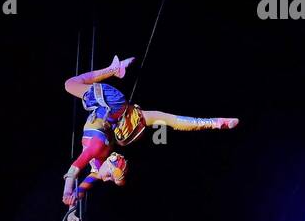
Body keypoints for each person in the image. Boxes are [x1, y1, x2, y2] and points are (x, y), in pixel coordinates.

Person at [61, 55, 238, 202]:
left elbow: (88, 180)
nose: (105, 179)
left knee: (172, 120)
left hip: (126, 117)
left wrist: (73, 200)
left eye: (109, 178)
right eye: (110, 176)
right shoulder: (98, 148)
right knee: (70, 84)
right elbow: (74, 170)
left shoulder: (99, 161)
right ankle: (114, 69)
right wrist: (67, 192)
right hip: (114, 106)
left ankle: (217, 122)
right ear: (110, 163)